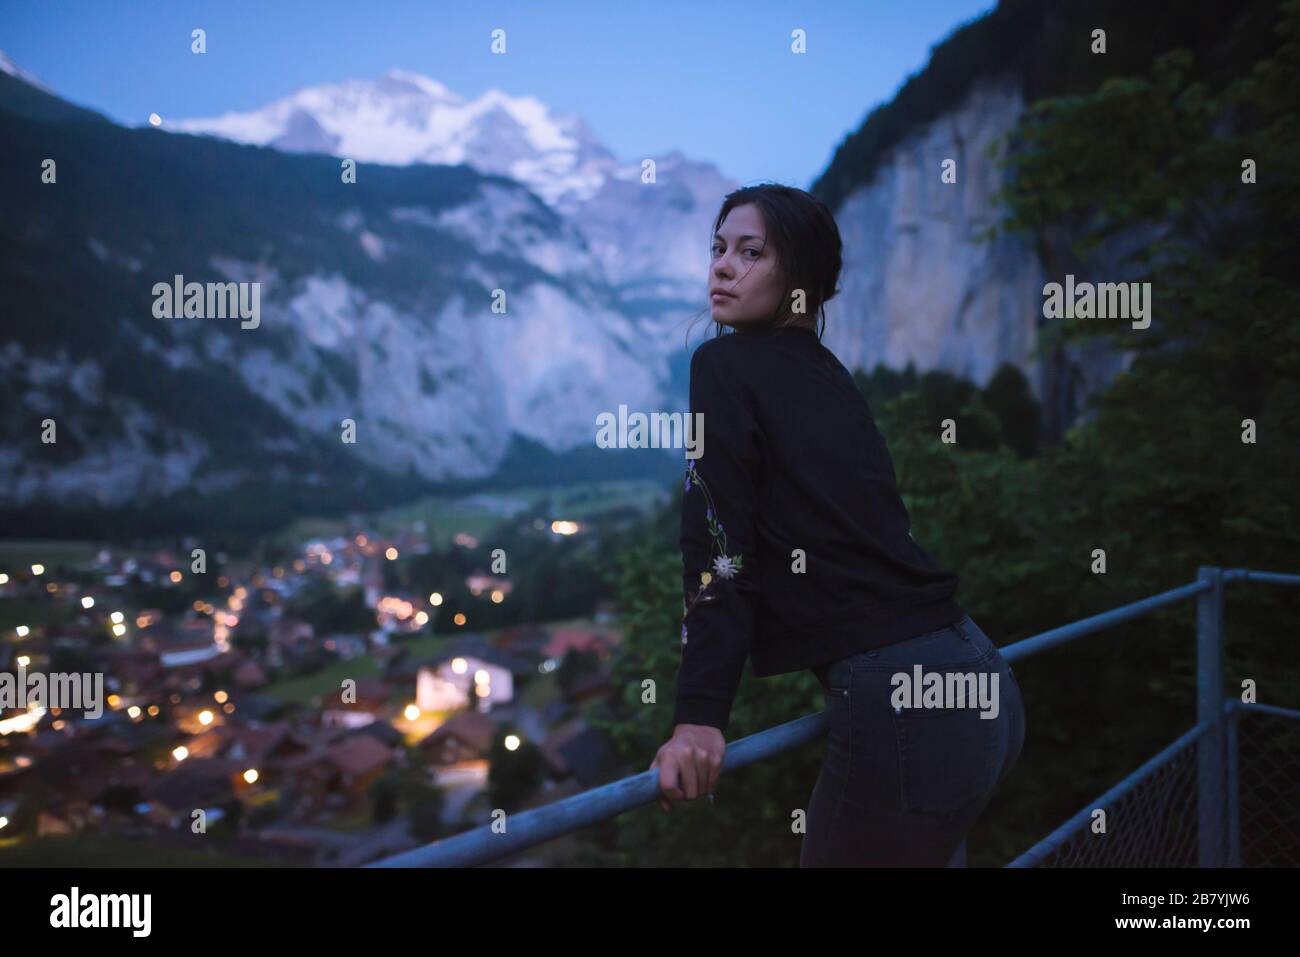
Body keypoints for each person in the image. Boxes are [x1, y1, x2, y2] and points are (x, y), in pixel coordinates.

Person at [649, 183, 1026, 866]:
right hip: (978, 673)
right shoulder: (829, 374)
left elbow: (717, 545)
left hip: (908, 704)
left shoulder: (723, 364)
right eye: (718, 248)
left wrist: (700, 715)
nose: (721, 267)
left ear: (799, 276)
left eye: (750, 252)